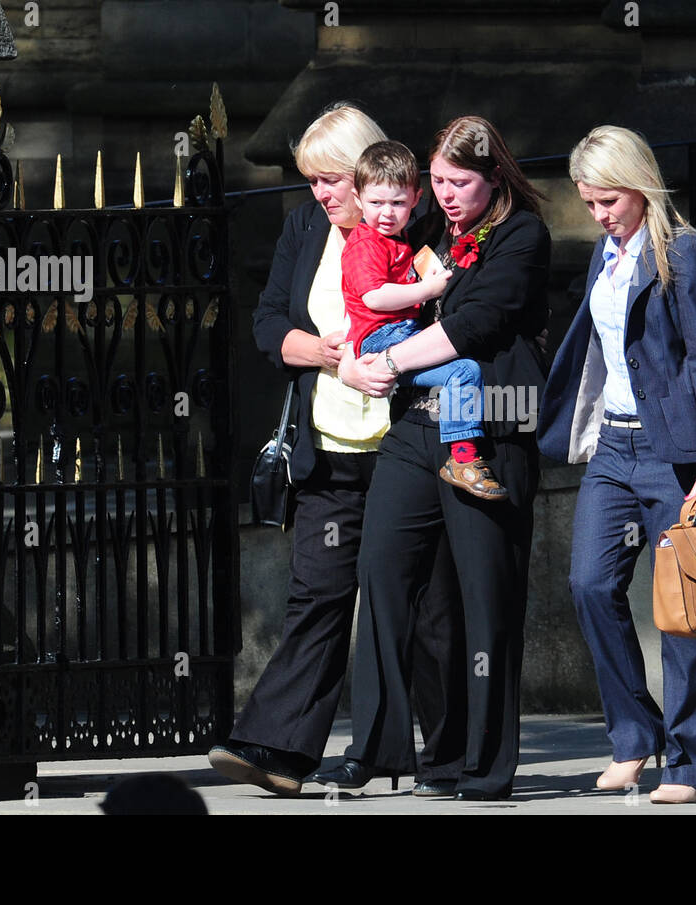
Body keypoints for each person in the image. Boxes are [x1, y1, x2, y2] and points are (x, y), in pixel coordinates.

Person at [208, 103, 464, 796]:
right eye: (311, 181)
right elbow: (267, 324)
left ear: (366, 172)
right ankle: (276, 748)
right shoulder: (304, 228)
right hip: (328, 446)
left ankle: (448, 755)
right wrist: (331, 358)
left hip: (404, 445)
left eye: (328, 179)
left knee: (425, 604)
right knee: (316, 595)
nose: (319, 194)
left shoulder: (415, 231)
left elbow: (449, 320)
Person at [324, 115, 550, 800]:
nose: (445, 195)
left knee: (483, 599)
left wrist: (384, 360)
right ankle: (380, 747)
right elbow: (365, 304)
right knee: (386, 574)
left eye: (461, 183)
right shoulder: (424, 232)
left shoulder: (521, 234)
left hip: (489, 432)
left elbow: (473, 325)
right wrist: (352, 365)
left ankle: (480, 764)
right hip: (415, 429)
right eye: (440, 183)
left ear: (495, 177)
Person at [536, 125, 696, 804]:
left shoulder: (686, 254)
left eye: (608, 200)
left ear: (640, 184)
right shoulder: (605, 253)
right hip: (611, 449)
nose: (599, 214)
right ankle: (634, 734)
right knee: (590, 582)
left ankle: (686, 763)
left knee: (681, 612)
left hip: (672, 455)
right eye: (589, 203)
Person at [342, 140, 507, 501]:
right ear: (357, 198)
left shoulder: (402, 239)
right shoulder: (366, 243)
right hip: (383, 338)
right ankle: (463, 458)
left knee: (457, 372)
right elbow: (374, 296)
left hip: (396, 336)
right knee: (464, 372)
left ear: (416, 198)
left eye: (398, 203)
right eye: (376, 203)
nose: (387, 213)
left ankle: (460, 455)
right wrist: (427, 290)